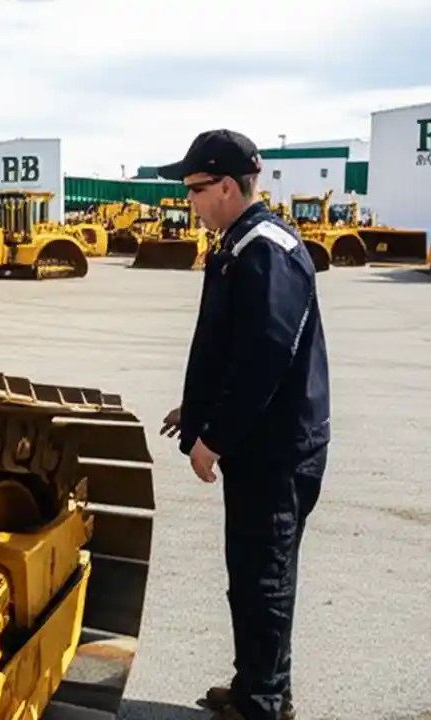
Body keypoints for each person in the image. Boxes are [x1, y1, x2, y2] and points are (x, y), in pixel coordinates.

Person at [154, 129, 331, 720]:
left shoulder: (265, 249)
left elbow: (266, 356)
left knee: (265, 580)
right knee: (253, 575)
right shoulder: (240, 242)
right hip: (259, 443)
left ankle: (263, 704)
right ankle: (258, 682)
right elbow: (234, 349)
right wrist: (196, 410)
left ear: (228, 186)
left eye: (196, 190)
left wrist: (214, 439)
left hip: (275, 450)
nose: (191, 202)